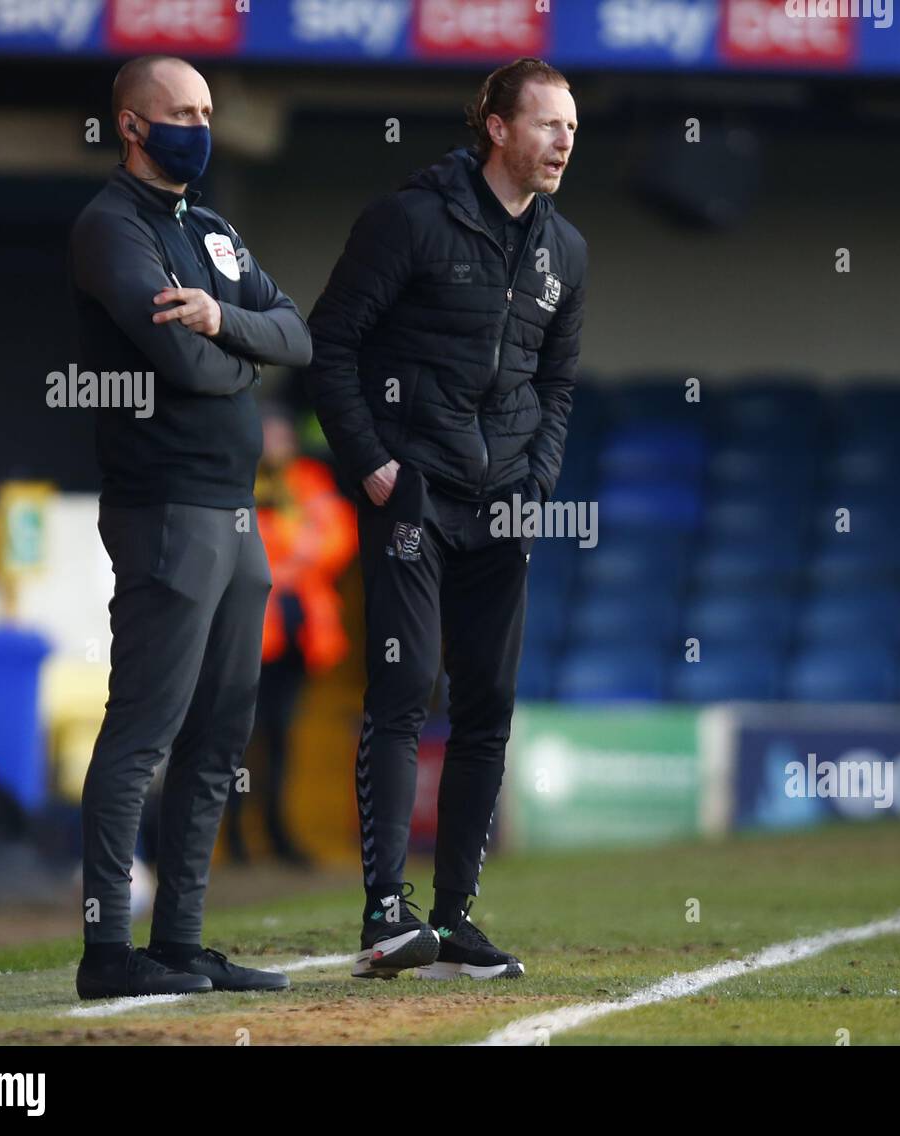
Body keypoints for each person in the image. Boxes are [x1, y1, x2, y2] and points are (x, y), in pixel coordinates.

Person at [305, 57, 587, 980]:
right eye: (548, 125)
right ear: (496, 127)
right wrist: (374, 466)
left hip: (504, 510)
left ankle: (455, 917)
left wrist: (536, 486)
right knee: (403, 690)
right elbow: (330, 343)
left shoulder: (566, 252)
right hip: (414, 497)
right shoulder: (410, 220)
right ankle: (384, 912)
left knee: (488, 707)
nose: (563, 143)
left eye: (572, 129)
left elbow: (556, 385)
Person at [69, 55, 311, 999]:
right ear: (132, 126)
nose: (201, 125)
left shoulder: (210, 229)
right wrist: (229, 340)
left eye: (208, 110)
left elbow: (299, 332)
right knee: (145, 730)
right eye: (183, 111)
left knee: (220, 730)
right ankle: (105, 951)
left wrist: (225, 321)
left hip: (235, 507)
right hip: (165, 504)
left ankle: (179, 939)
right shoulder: (109, 228)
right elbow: (184, 367)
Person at [225, 407, 357, 866]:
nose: (277, 444)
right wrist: (293, 549)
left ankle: (278, 832)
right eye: (269, 435)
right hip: (250, 633)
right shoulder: (237, 479)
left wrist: (287, 553)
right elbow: (246, 549)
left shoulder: (311, 480)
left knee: (282, 735)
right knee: (239, 736)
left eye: (282, 435)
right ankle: (235, 839)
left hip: (301, 632)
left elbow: (338, 538)